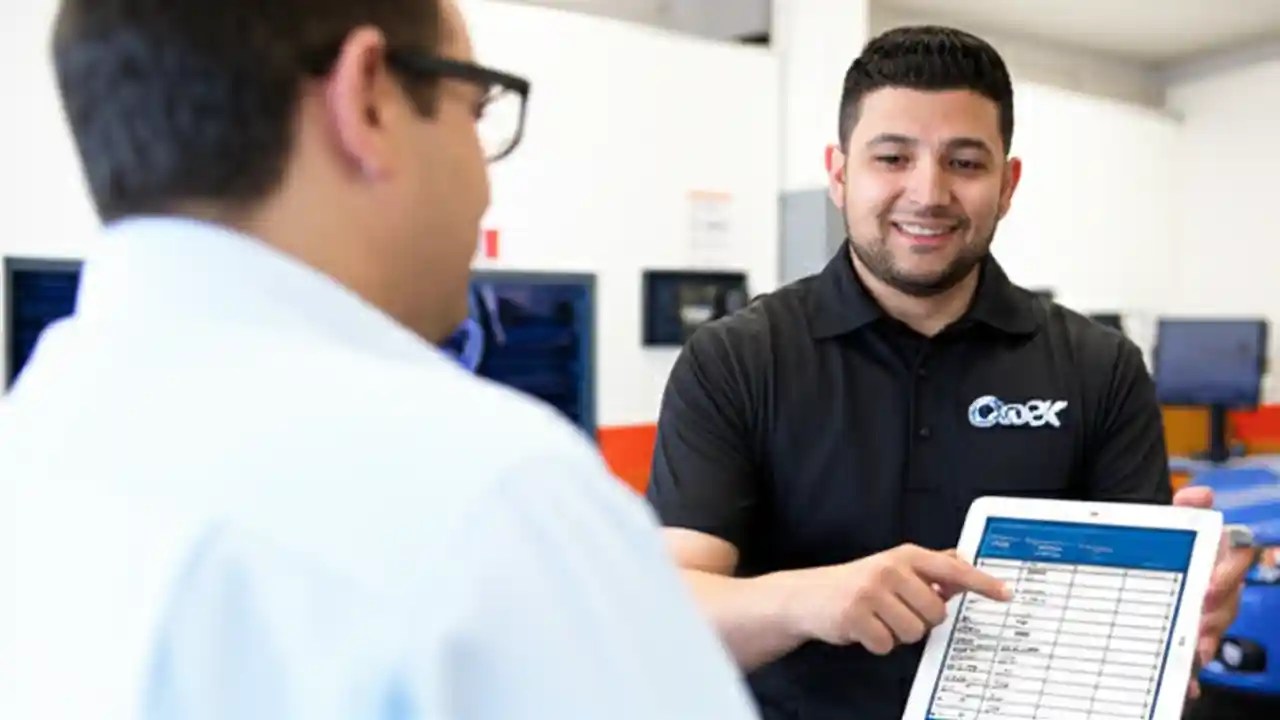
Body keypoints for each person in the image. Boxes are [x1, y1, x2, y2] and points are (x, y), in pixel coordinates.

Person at [0, 1, 759, 719]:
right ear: (368, 100)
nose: (486, 185)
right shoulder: (498, 499)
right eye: (478, 109)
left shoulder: (35, 446)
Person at [644, 25, 1255, 720]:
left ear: (1007, 182)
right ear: (840, 173)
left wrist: (1175, 616)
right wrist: (810, 599)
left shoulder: (1099, 367)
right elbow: (669, 613)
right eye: (893, 157)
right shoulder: (737, 360)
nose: (927, 192)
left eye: (964, 162)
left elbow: (1131, 618)